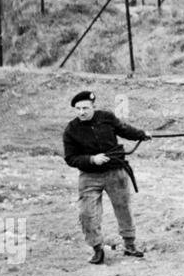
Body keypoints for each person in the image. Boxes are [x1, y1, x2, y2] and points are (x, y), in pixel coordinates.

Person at [62, 90, 151, 265]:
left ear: (93, 107)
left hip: (115, 172)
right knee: (87, 213)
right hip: (89, 176)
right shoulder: (71, 130)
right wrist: (91, 159)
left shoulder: (107, 117)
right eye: (78, 109)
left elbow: (125, 130)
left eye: (85, 108)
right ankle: (97, 249)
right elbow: (70, 158)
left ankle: (130, 245)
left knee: (123, 208)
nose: (82, 112)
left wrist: (142, 134)